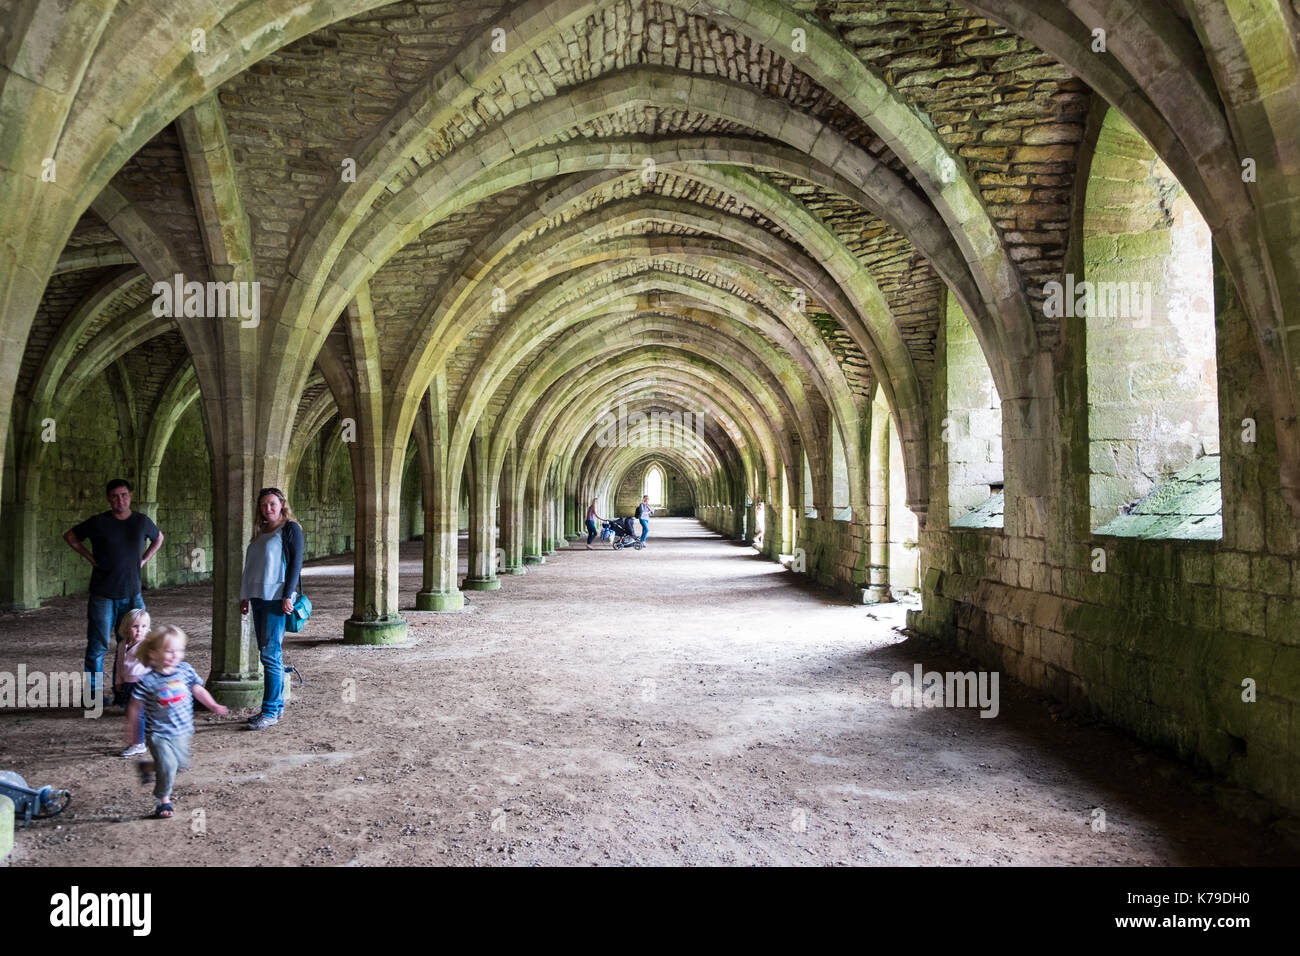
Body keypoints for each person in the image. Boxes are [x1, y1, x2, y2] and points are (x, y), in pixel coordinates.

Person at [64, 478, 164, 696]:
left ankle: (125, 691)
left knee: (132, 644)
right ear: (109, 499)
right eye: (115, 496)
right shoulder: (99, 522)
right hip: (103, 593)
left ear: (130, 496)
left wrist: (144, 560)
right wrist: (90, 558)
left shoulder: (141, 521)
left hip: (132, 593)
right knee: (98, 646)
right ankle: (94, 695)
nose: (120, 500)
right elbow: (71, 537)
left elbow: (159, 538)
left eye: (124, 495)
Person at [127, 625, 228, 819]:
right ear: (153, 654)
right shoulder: (147, 681)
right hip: (158, 733)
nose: (176, 655)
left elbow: (197, 689)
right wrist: (133, 735)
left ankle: (148, 767)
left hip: (182, 730)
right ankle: (164, 801)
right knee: (168, 766)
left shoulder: (185, 670)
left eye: (180, 650)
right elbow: (134, 707)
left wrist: (213, 705)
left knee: (180, 765)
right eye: (169, 651)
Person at [238, 487, 304, 730]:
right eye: (264, 505)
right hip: (258, 598)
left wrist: (288, 595)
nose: (268, 509)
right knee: (267, 652)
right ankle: (272, 708)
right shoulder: (261, 531)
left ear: (282, 504)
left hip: (276, 599)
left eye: (272, 504)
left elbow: (296, 563)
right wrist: (245, 596)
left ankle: (271, 711)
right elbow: (251, 566)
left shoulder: (290, 529)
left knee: (270, 654)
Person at [114, 608, 151, 757]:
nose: (139, 630)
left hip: (142, 684)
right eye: (135, 626)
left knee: (136, 714)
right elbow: (119, 664)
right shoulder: (122, 645)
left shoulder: (147, 646)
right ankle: (141, 739)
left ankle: (138, 744)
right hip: (128, 684)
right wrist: (119, 680)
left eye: (143, 626)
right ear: (126, 628)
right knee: (133, 713)